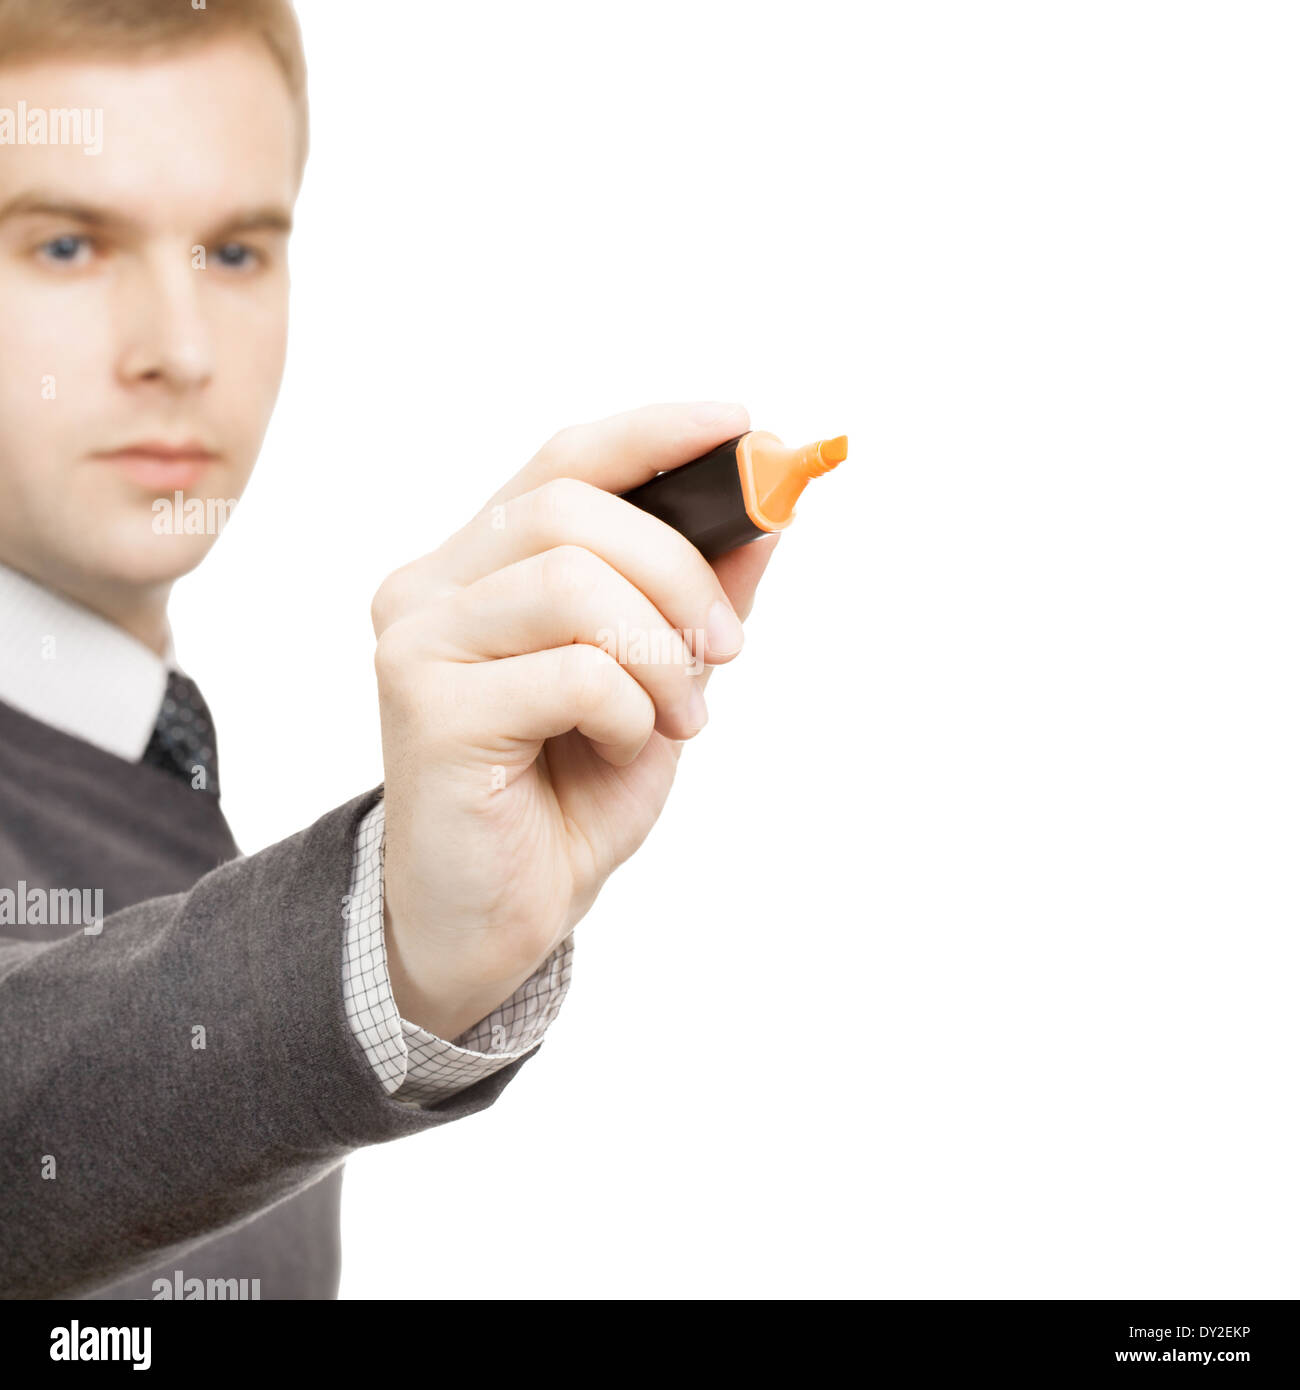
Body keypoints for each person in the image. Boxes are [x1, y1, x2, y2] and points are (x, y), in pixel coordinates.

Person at [0, 0, 778, 1298]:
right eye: (68, 243)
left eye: (236, 252)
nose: (179, 351)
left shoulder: (156, 776)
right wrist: (384, 938)